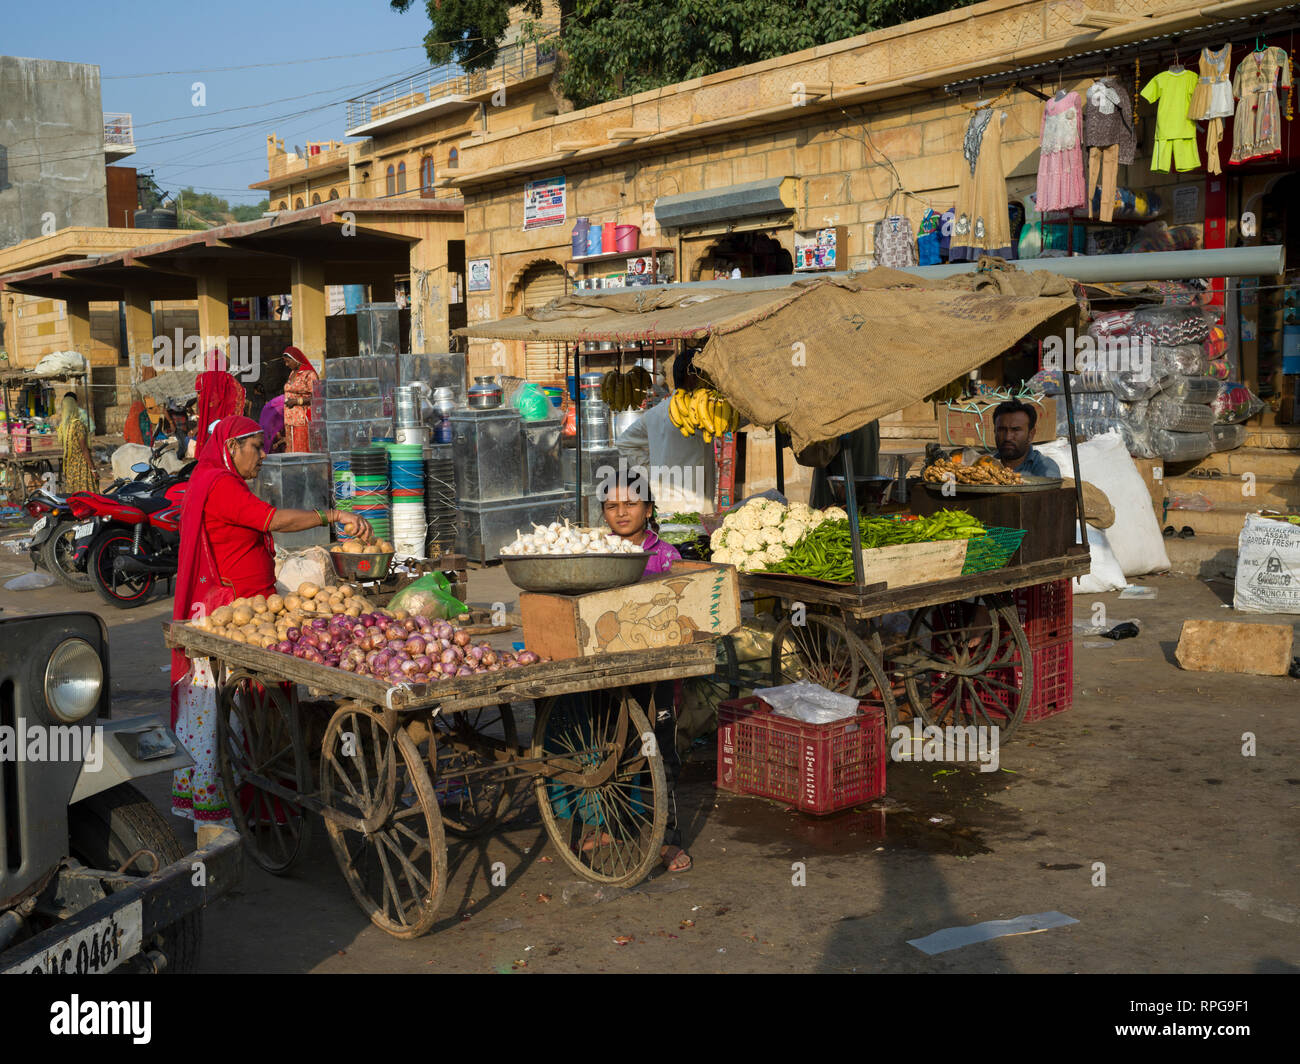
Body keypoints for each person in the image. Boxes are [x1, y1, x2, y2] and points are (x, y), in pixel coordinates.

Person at [169, 415, 371, 839]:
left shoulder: (219, 477)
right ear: (232, 448)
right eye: (256, 447)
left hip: (257, 602)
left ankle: (259, 797)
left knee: (254, 705)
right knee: (252, 703)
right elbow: (272, 520)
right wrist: (330, 514)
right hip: (235, 610)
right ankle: (249, 803)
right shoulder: (221, 485)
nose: (263, 455)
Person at [598, 468, 691, 873]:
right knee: (611, 748)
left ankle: (670, 840)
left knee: (661, 754)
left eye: (630, 504)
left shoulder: (666, 556)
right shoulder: (593, 552)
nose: (621, 513)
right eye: (612, 506)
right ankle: (617, 827)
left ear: (648, 509)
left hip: (657, 675)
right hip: (607, 673)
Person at [615, 349, 716, 515]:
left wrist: (653, 472)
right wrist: (652, 471)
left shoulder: (656, 413)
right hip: (692, 505)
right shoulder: (700, 414)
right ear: (692, 377)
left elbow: (624, 442)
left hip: (673, 504)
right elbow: (625, 443)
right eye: (706, 375)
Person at [194, 353, 247, 457]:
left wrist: (199, 422)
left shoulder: (201, 379)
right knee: (222, 450)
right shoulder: (229, 379)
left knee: (207, 448)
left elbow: (199, 402)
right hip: (224, 423)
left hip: (207, 422)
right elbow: (239, 395)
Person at [991, 399, 1060, 477]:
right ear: (995, 431)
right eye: (1002, 430)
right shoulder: (985, 465)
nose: (1008, 437)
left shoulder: (1045, 467)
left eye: (1015, 430)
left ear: (1031, 434)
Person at [56, 393, 97, 493]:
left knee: (74, 495)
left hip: (70, 467)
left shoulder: (62, 427)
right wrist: (93, 469)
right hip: (82, 466)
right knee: (88, 496)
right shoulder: (78, 425)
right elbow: (84, 449)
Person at [281, 346, 318, 453]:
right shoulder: (292, 374)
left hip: (302, 418)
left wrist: (297, 402)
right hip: (289, 418)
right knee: (291, 447)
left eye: (288, 361)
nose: (286, 364)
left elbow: (317, 396)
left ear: (296, 360)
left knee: (301, 448)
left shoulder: (309, 375)